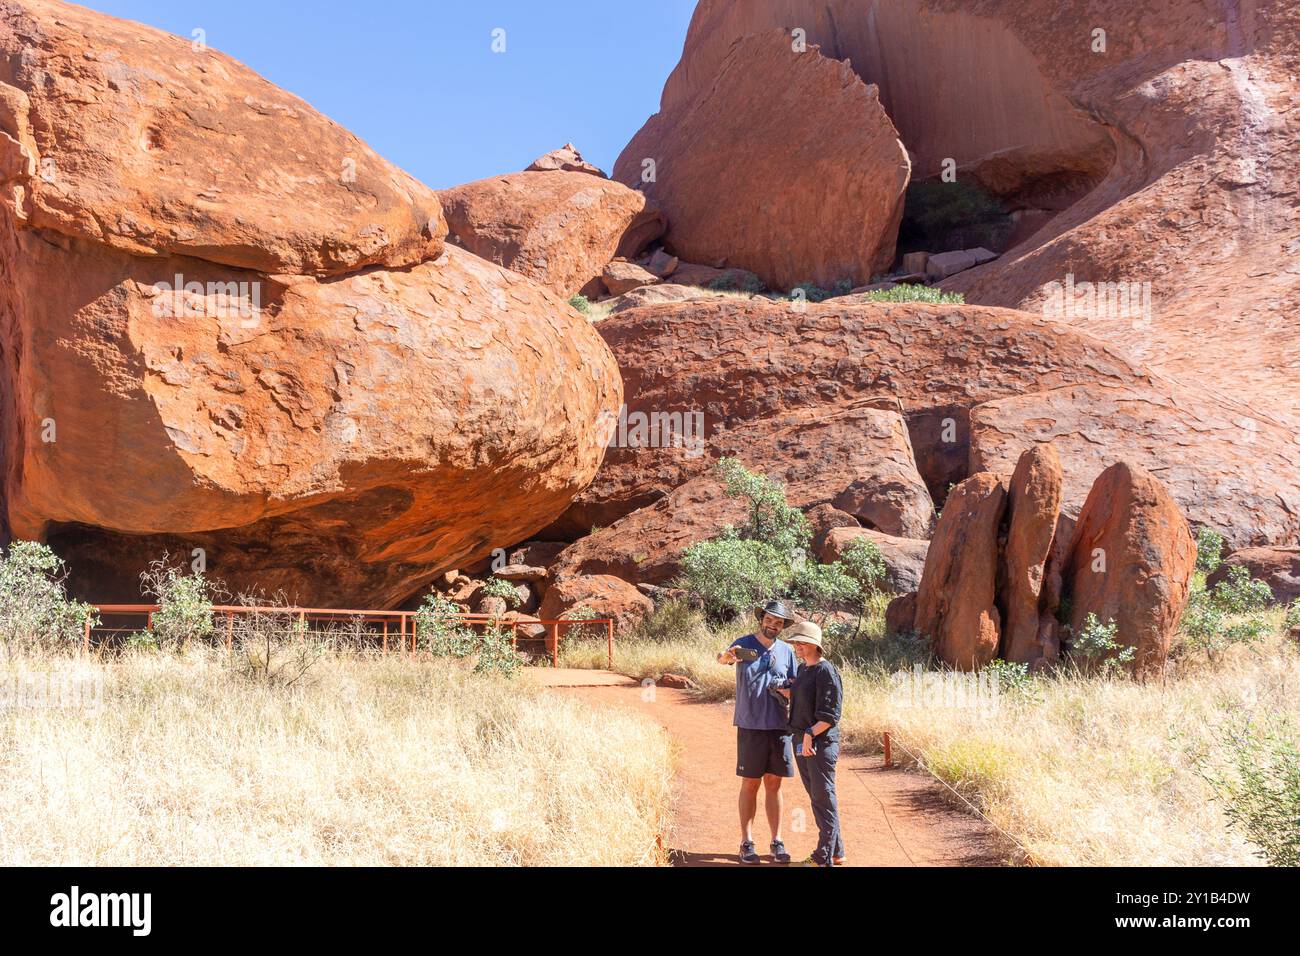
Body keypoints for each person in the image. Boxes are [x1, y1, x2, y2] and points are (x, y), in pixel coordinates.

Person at [717, 599, 799, 864]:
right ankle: (746, 842)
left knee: (774, 784)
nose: (773, 625)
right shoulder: (744, 644)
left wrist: (787, 689)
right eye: (769, 620)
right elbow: (723, 658)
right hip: (751, 723)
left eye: (778, 622)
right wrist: (726, 657)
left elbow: (796, 684)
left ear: (783, 626)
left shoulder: (787, 651)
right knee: (751, 783)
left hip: (779, 724)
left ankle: (777, 841)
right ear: (761, 618)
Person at [780, 621, 845, 867]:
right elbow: (805, 698)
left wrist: (809, 733)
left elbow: (830, 715)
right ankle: (837, 851)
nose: (796, 646)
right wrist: (788, 692)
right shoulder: (804, 669)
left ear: (813, 645)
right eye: (795, 642)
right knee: (820, 797)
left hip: (819, 743)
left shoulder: (826, 671)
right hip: (802, 741)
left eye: (800, 642)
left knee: (822, 798)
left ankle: (821, 858)